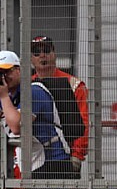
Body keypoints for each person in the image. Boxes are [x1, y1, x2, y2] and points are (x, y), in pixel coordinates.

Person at [0, 50, 73, 179]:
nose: (4, 77)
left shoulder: (34, 91)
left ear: (19, 70)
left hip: (53, 163)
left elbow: (17, 127)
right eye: (0, 74)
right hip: (31, 163)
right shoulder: (8, 97)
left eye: (8, 71)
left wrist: (4, 97)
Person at [28, 35, 88, 176]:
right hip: (32, 157)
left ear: (55, 54)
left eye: (47, 50)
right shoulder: (26, 86)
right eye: (36, 52)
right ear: (31, 58)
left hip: (63, 155)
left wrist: (77, 156)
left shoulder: (74, 85)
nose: (42, 56)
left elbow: (84, 123)